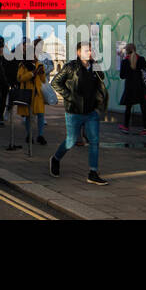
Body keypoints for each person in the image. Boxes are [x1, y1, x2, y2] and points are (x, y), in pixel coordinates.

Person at [49, 41, 110, 185]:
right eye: (86, 50)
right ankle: (55, 159)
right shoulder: (71, 67)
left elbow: (101, 80)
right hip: (74, 112)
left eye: (90, 50)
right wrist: (69, 97)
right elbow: (55, 82)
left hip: (91, 112)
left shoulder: (94, 66)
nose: (89, 52)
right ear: (78, 53)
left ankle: (93, 173)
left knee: (94, 141)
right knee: (70, 141)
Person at [15, 51, 47, 145]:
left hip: (38, 94)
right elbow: (19, 78)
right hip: (27, 94)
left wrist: (41, 73)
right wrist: (32, 74)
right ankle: (29, 135)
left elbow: (43, 80)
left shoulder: (39, 64)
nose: (35, 56)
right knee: (28, 115)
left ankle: (40, 135)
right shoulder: (23, 65)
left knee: (41, 114)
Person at [118, 43, 146, 134]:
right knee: (143, 108)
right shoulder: (142, 59)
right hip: (141, 87)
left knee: (128, 108)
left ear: (126, 51)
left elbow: (122, 76)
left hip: (129, 87)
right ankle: (145, 129)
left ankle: (126, 127)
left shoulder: (124, 61)